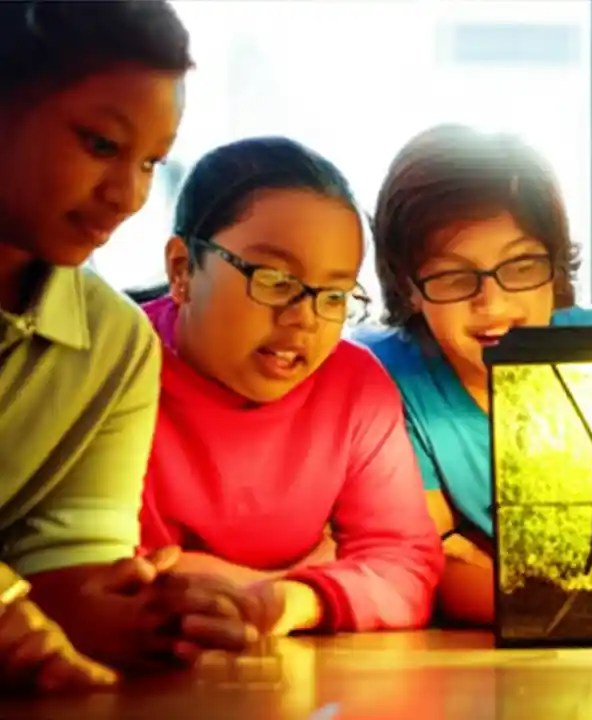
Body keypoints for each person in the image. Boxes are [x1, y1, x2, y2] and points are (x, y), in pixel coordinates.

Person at [0, 0, 265, 692]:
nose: (127, 195)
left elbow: (64, 570)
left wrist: (148, 615)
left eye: (152, 161)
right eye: (99, 144)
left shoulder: (115, 347)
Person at [139, 137, 444, 637]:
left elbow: (405, 562)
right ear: (182, 269)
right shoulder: (114, 369)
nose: (303, 318)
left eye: (334, 294)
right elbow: (92, 571)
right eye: (275, 279)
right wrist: (315, 568)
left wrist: (295, 599)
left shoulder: (355, 388)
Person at [355, 124, 592, 626]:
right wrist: (583, 611)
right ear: (408, 287)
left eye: (521, 266)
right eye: (455, 277)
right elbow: (431, 559)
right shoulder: (388, 376)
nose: (492, 303)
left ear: (555, 264)